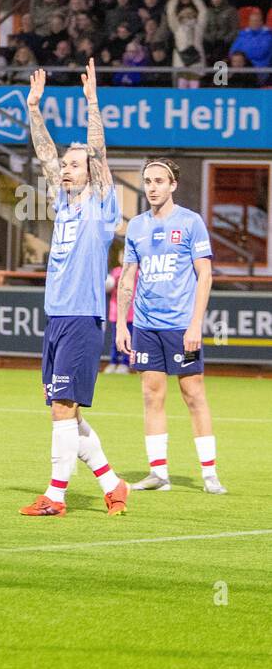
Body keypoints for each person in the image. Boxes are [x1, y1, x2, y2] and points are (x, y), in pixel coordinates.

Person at [20, 60, 129, 518]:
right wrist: (34, 109)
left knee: (63, 408)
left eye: (72, 164)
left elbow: (100, 156)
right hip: (58, 319)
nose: (64, 168)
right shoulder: (64, 206)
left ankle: (56, 496)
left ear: (90, 173)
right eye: (63, 164)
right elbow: (43, 153)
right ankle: (112, 482)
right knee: (69, 412)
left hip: (84, 319)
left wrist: (92, 103)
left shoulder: (102, 206)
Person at [116, 157, 226, 495]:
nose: (152, 187)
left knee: (193, 394)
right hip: (146, 326)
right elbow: (128, 278)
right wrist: (122, 324)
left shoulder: (190, 223)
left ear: (172, 185)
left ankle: (209, 474)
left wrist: (196, 324)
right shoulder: (135, 226)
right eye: (148, 181)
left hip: (181, 325)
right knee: (151, 395)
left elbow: (204, 274)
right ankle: (158, 473)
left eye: (159, 181)